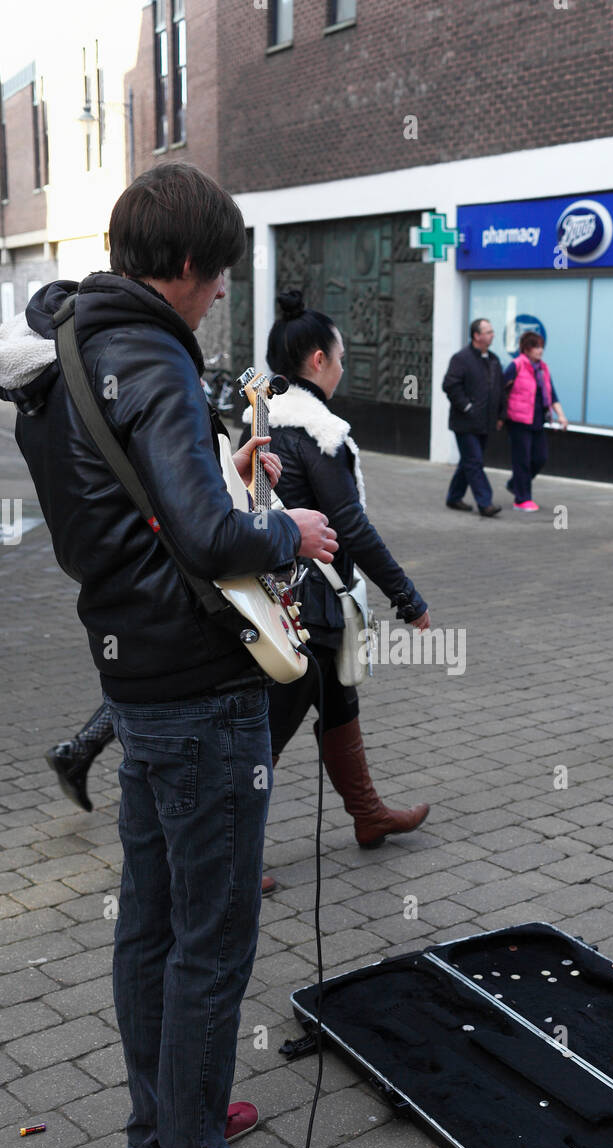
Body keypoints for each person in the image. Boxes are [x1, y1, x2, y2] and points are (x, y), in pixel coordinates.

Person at [0, 163, 339, 1148]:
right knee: (211, 934)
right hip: (202, 683)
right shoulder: (152, 353)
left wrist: (222, 466)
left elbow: (122, 499)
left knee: (150, 918)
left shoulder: (69, 351)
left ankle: (158, 1127)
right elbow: (210, 536)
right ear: (182, 264)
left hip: (133, 671)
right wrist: (292, 531)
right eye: (217, 272)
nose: (222, 291)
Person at [259, 289, 431, 889]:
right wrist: (406, 596)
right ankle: (226, 856)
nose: (343, 366)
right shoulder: (319, 431)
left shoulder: (264, 420)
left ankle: (368, 815)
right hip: (307, 606)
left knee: (340, 704)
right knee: (269, 730)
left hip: (290, 597)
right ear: (315, 360)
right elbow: (349, 523)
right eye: (338, 356)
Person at [442, 318, 505, 516]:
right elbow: (450, 385)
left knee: (469, 462)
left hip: (485, 423)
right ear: (477, 336)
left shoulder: (493, 360)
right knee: (474, 461)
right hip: (465, 422)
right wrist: (467, 406)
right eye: (488, 331)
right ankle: (485, 503)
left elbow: (500, 390)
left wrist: (500, 415)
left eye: (492, 331)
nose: (492, 334)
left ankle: (454, 497)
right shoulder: (461, 358)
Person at [503, 329, 567, 511]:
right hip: (518, 421)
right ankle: (522, 499)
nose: (540, 351)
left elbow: (551, 394)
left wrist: (561, 415)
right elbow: (502, 389)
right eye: (536, 347)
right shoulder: (516, 366)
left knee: (540, 458)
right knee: (522, 460)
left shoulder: (543, 368)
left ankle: (515, 484)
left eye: (541, 347)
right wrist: (501, 416)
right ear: (526, 349)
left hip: (538, 420)